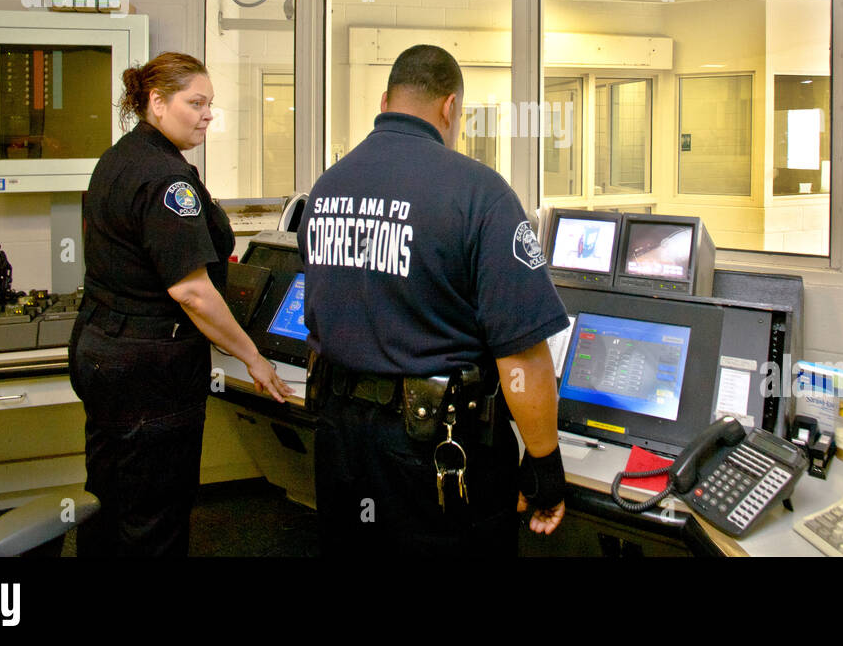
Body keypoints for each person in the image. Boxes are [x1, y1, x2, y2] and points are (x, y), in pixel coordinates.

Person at [299, 44, 569, 556]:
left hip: (340, 439)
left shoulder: (327, 187)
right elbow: (522, 355)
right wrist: (544, 469)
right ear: (450, 108)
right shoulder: (479, 193)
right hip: (434, 450)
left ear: (385, 101)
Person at [69, 52, 292, 556]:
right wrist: (253, 357)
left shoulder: (119, 157)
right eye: (195, 103)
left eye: (210, 104)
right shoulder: (167, 180)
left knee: (110, 499)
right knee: (156, 514)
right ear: (157, 101)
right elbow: (190, 291)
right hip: (150, 373)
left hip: (103, 351)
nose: (207, 115)